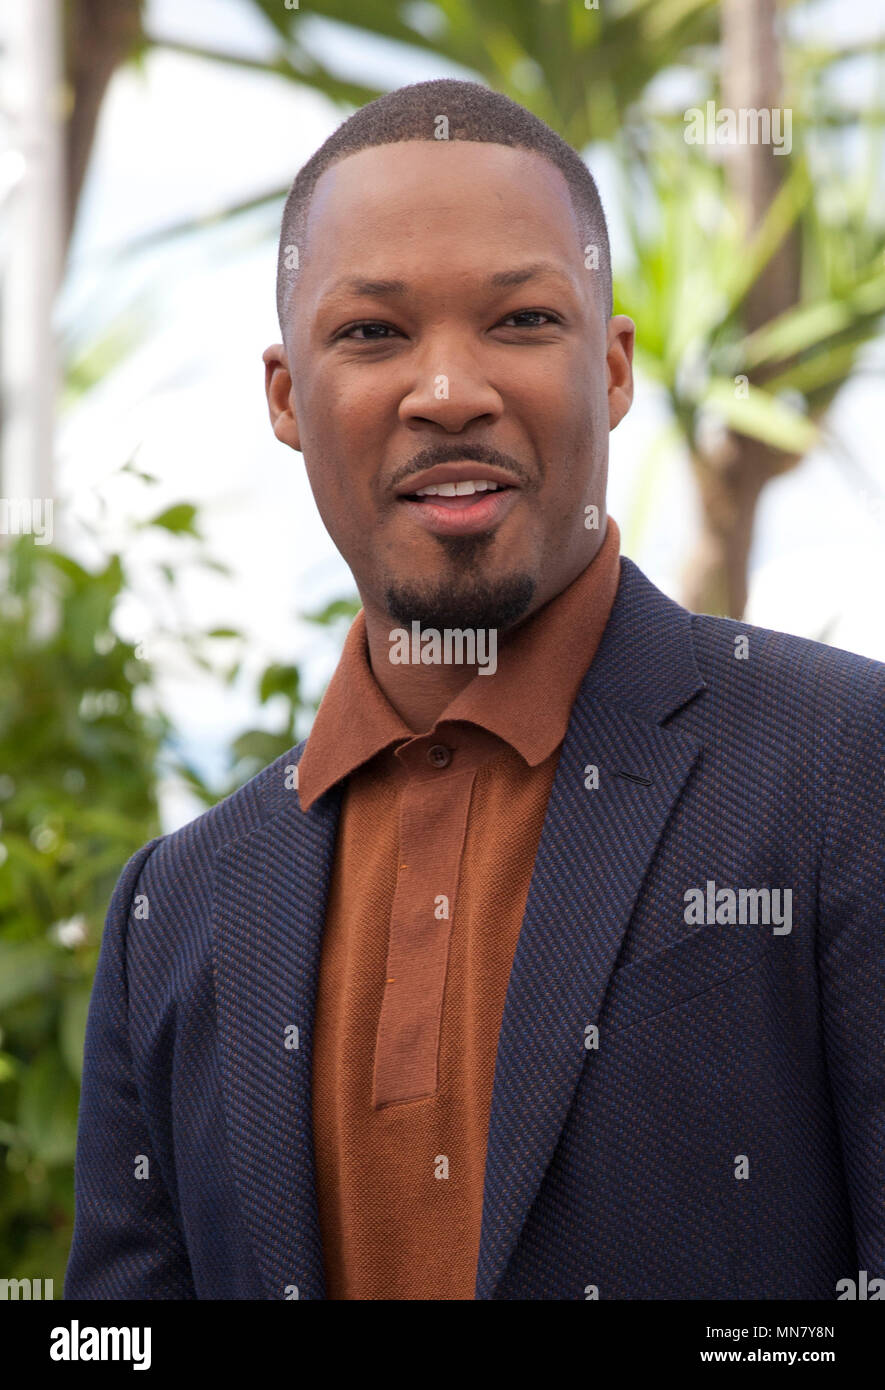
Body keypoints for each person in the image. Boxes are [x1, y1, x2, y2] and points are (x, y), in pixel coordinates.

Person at [66, 78, 884, 1301]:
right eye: (373, 333)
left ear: (611, 369)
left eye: (520, 320)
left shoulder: (839, 771)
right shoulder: (171, 915)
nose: (448, 390)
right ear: (288, 398)